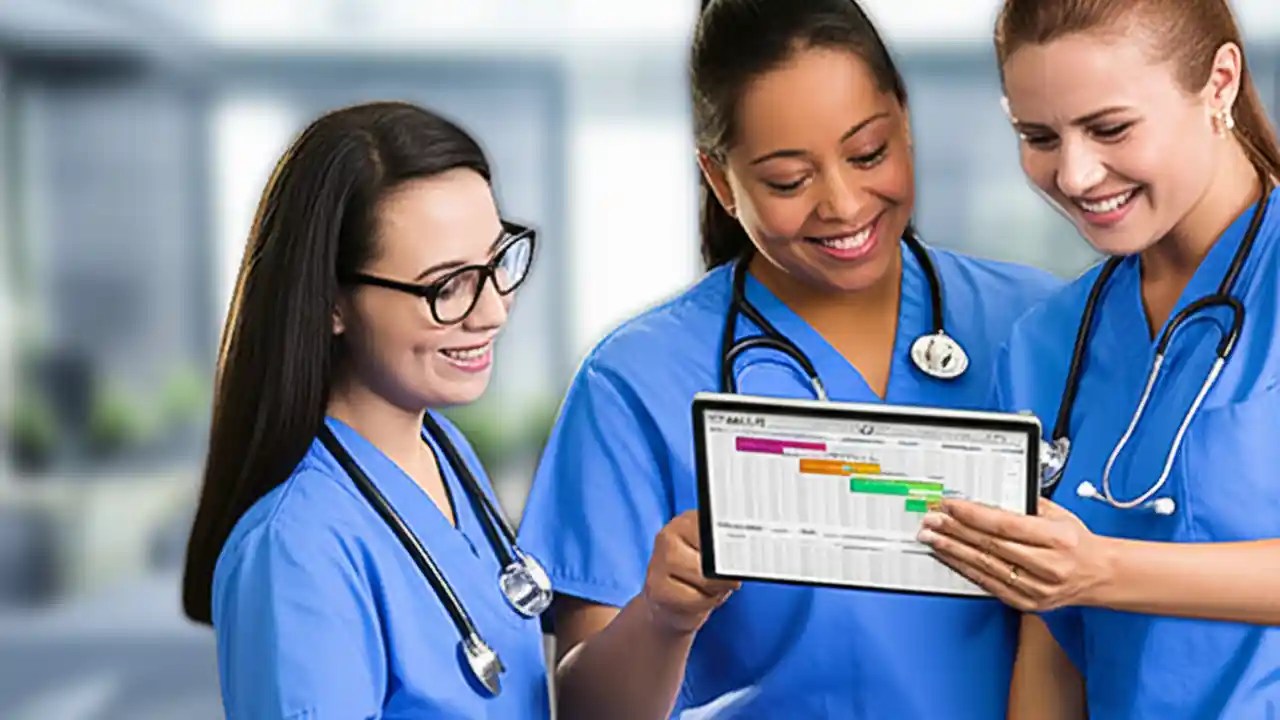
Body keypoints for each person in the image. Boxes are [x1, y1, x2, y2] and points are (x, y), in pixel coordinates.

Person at [517, 1, 1063, 717]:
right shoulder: (638, 380)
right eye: (787, 181)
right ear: (720, 181)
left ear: (907, 123)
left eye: (869, 154)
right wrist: (662, 616)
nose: (842, 203)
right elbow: (587, 709)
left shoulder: (1040, 324)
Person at [917, 1, 1280, 718]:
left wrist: (1102, 571)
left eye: (1110, 128)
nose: (1076, 175)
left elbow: (1078, 581)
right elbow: (1052, 651)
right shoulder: (1045, 344)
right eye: (1038, 136)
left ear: (1220, 84)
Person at [180, 101, 551, 719]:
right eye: (446, 285)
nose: (492, 312)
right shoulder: (297, 551)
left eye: (496, 263)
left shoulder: (445, 452)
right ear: (332, 302)